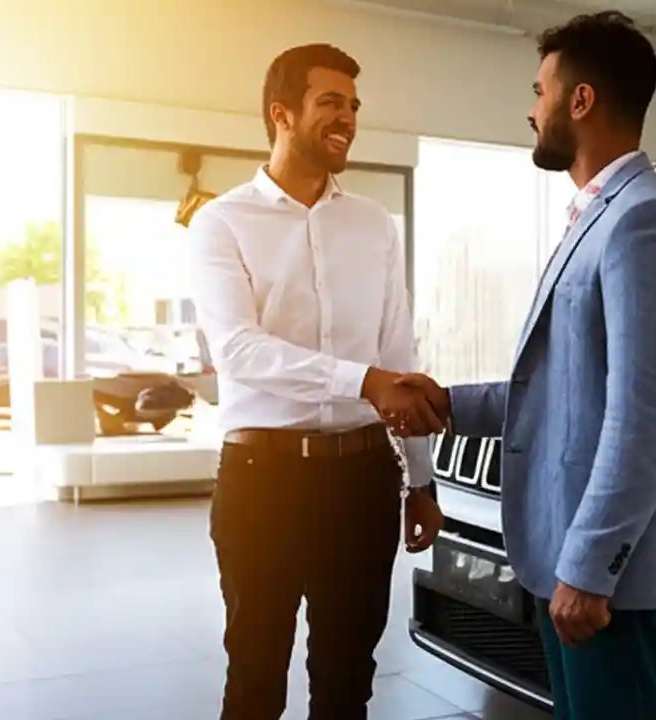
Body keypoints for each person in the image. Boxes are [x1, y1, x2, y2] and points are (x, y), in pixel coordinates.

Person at [393, 11, 656, 719]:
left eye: (540, 90)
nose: (530, 109)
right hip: (570, 558)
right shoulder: (598, 216)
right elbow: (562, 389)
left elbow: (645, 415)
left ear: (581, 101)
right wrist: (446, 402)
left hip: (616, 579)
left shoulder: (646, 220)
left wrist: (589, 566)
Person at [186, 43, 445, 720]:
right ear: (282, 114)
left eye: (354, 106)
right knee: (255, 678)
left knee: (346, 683)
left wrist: (420, 482)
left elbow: (397, 351)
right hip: (261, 481)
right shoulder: (221, 223)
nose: (349, 118)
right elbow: (239, 351)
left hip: (361, 483)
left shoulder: (374, 225)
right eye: (331, 102)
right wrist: (362, 381)